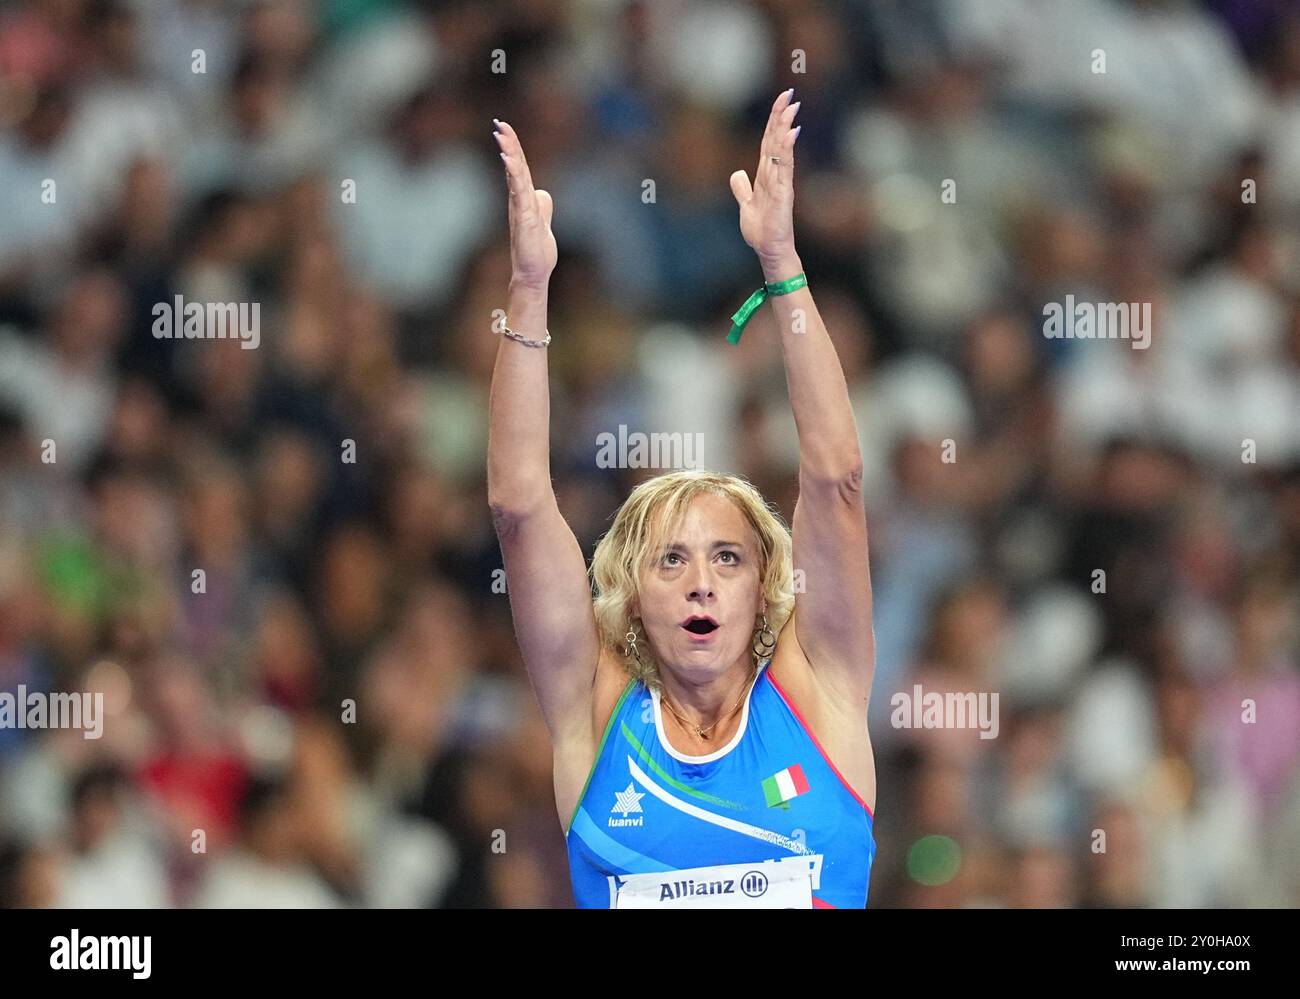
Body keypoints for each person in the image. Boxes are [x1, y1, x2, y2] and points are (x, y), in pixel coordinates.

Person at [487, 88, 876, 908]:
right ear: (631, 593)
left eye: (726, 556)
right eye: (673, 558)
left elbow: (836, 477)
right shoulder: (591, 712)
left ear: (763, 582)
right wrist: (528, 288)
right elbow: (520, 506)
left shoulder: (822, 689)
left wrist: (782, 268)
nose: (702, 579)